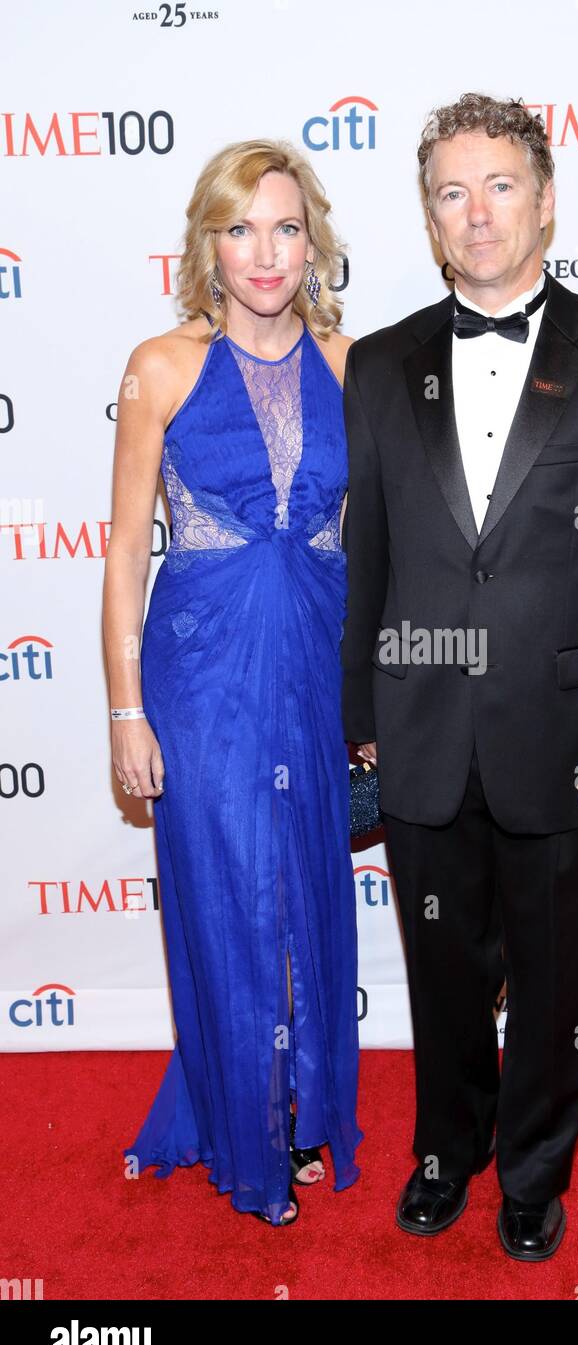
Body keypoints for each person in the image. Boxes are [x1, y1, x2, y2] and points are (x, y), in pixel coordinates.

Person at [340, 93, 578, 1260]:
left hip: (566, 736)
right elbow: (369, 564)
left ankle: (534, 1174)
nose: (475, 212)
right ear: (429, 220)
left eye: (498, 186)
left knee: (553, 985)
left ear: (544, 201)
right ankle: (449, 1149)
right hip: (422, 725)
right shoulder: (381, 365)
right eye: (450, 192)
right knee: (440, 973)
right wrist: (363, 716)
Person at [104, 138, 362, 1227]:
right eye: (242, 227)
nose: (266, 251)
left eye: (286, 226)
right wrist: (125, 709)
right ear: (209, 244)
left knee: (304, 888)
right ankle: (241, 1123)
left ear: (314, 242)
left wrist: (380, 694)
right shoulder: (160, 364)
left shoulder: (353, 363)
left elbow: (374, 538)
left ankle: (300, 1110)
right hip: (200, 674)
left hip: (311, 657)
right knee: (229, 892)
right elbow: (123, 551)